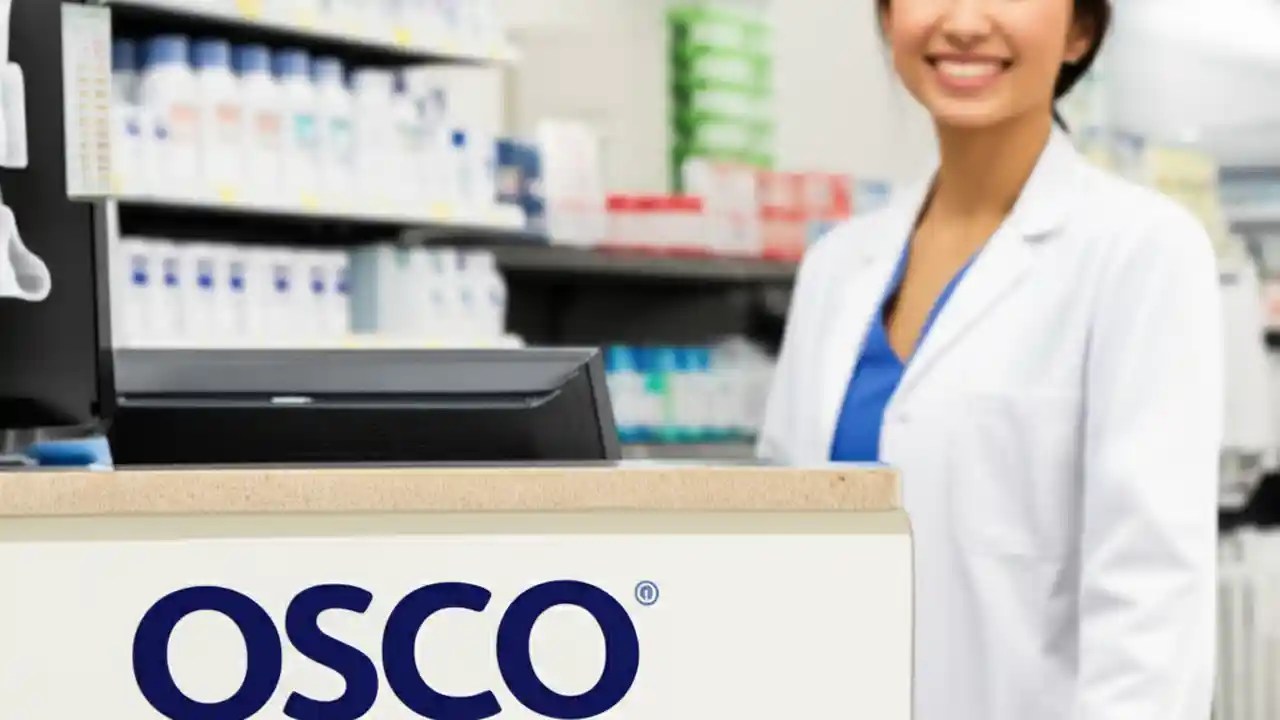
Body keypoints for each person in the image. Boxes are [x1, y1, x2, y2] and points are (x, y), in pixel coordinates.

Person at [757, 1, 1221, 719]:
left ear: (1080, 30)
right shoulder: (836, 267)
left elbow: (1150, 595)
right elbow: (777, 548)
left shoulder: (1140, 250)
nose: (965, 22)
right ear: (886, 18)